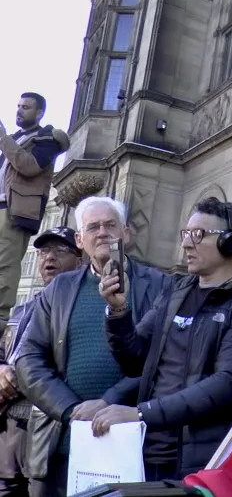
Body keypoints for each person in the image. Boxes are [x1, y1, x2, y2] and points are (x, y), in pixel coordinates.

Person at [96, 197, 232, 480]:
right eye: (186, 233)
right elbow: (135, 361)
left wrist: (143, 414)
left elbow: (228, 382)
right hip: (145, 450)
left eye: (199, 234)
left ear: (230, 243)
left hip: (200, 462)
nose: (186, 244)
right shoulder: (177, 290)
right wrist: (118, 310)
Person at [15, 198, 169, 497]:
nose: (102, 233)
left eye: (110, 225)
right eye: (93, 227)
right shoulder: (58, 290)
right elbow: (29, 359)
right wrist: (71, 410)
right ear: (79, 240)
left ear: (126, 233)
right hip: (60, 444)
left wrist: (109, 400)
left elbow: (161, 359)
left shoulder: (160, 286)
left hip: (129, 445)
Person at [0, 228, 82, 497]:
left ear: (80, 260)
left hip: (48, 427)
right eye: (44, 252)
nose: (50, 258)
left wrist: (18, 377)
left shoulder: (79, 307)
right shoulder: (22, 309)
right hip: (9, 428)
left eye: (61, 251)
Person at [0, 94, 70, 330]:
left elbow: (28, 166)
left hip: (12, 211)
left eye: (26, 107)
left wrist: (3, 138)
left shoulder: (46, 140)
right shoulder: (15, 139)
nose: (19, 111)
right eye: (18, 106)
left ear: (39, 113)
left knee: (4, 269)